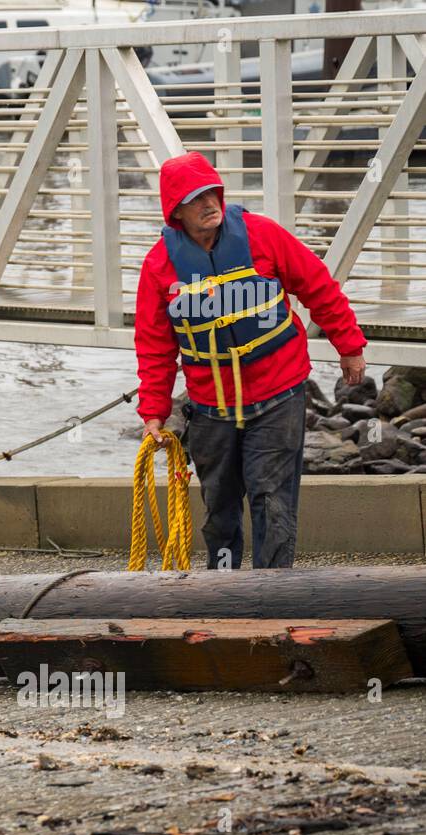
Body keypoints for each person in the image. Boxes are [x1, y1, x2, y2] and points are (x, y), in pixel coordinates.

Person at [135, 152, 368, 569]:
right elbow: (154, 344)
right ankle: (224, 589)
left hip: (278, 395)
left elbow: (318, 287)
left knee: (272, 501)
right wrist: (154, 409)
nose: (210, 203)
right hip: (211, 408)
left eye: (213, 192)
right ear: (175, 211)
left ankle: (271, 595)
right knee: (219, 510)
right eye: (195, 198)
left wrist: (348, 345)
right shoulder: (159, 266)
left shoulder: (262, 235)